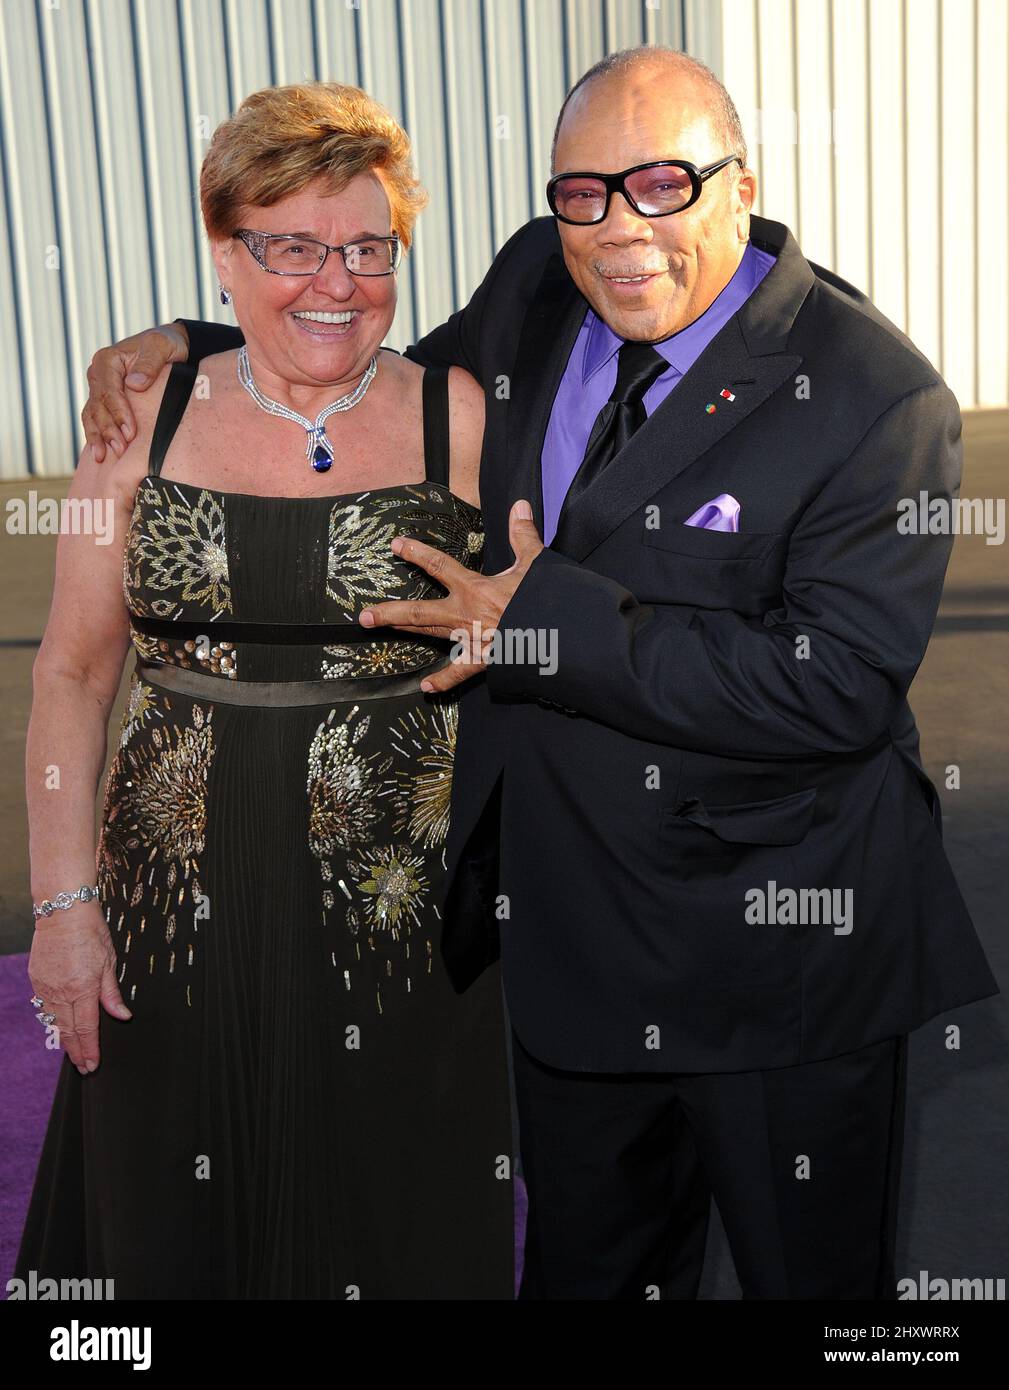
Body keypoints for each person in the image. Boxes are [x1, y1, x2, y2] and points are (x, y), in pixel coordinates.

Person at [81, 49, 998, 1300]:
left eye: (663, 185)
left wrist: (551, 620)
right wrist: (188, 348)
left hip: (771, 963)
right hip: (565, 946)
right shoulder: (539, 278)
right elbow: (369, 365)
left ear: (743, 184)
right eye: (583, 192)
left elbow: (833, 686)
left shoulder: (874, 399)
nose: (620, 230)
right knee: (591, 1275)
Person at [17, 81, 514, 1300]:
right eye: (290, 247)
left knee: (393, 1221)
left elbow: (541, 627)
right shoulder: (137, 418)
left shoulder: (467, 418)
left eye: (365, 247)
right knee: (174, 1237)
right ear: (224, 251)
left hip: (401, 926)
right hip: (167, 914)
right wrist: (62, 907)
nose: (334, 283)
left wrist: (525, 632)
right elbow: (75, 670)